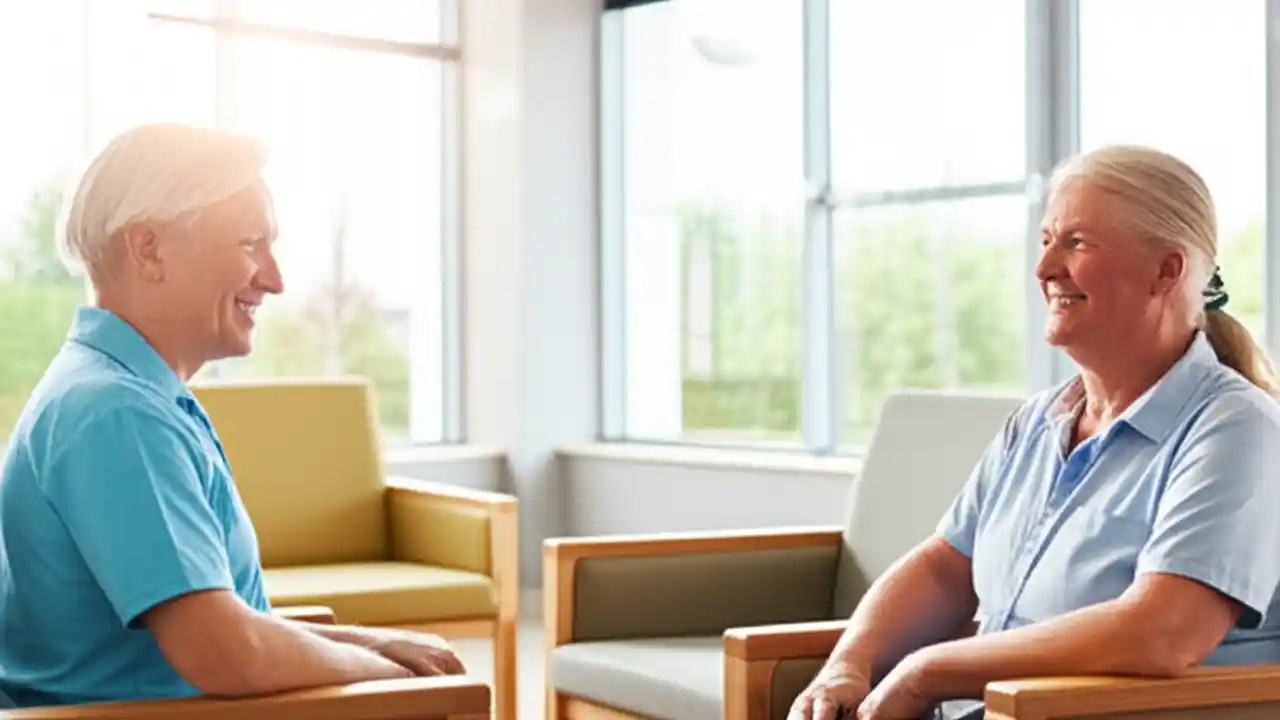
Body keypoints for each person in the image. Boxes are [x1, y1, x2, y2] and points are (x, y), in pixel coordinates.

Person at [791, 145, 1280, 720]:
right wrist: (849, 662)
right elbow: (945, 568)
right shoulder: (1038, 421)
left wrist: (927, 673)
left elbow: (1164, 631)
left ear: (1165, 271)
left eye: (1077, 243)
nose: (1046, 268)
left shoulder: (1237, 429)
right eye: (1047, 240)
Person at [0, 123, 463, 707]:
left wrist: (367, 643)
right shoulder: (117, 415)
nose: (274, 279)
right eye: (250, 244)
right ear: (149, 249)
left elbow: (223, 619)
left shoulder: (123, 393)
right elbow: (224, 652)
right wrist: (387, 678)